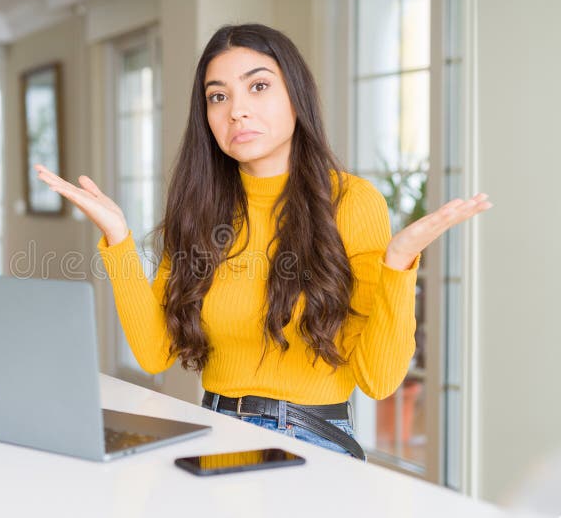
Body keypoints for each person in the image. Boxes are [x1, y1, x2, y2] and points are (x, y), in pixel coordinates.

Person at [35, 23, 492, 459]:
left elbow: (379, 380)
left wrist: (399, 263)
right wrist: (118, 239)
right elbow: (156, 352)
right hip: (212, 429)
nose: (236, 110)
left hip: (312, 439)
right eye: (218, 96)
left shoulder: (351, 201)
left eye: (258, 86)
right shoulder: (199, 209)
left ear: (296, 95)